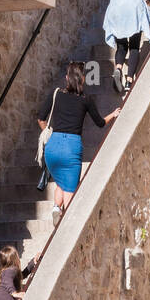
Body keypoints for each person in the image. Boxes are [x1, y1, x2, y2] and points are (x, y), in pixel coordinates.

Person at [37, 61, 119, 226]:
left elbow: (40, 118)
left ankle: (55, 208)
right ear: (82, 80)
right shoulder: (85, 99)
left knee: (61, 180)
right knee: (70, 192)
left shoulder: (56, 94)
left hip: (53, 146)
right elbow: (100, 123)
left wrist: (49, 132)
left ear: (67, 78)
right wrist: (113, 114)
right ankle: (66, 226)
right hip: (71, 148)